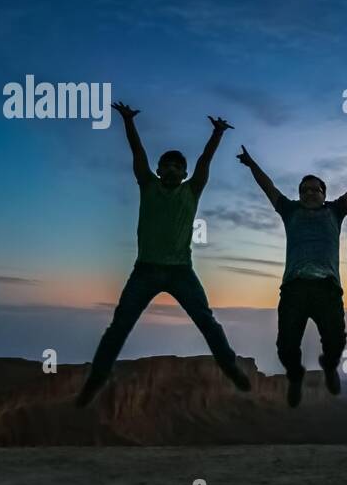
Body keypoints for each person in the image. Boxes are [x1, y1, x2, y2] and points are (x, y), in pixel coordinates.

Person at [76, 102, 250, 407]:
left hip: (181, 271)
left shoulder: (192, 190)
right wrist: (129, 122)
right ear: (158, 170)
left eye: (176, 166)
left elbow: (205, 161)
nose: (170, 169)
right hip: (145, 270)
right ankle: (96, 379)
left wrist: (217, 134)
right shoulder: (147, 185)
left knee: (206, 321)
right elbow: (137, 153)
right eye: (165, 165)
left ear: (184, 173)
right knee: (119, 326)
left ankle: (230, 367)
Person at [238, 142, 347, 407]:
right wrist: (252, 165)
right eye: (304, 190)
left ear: (324, 194)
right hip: (294, 289)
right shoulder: (290, 210)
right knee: (286, 346)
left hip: (327, 289)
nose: (310, 193)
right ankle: (295, 377)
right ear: (299, 195)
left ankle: (329, 367)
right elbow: (269, 187)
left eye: (315, 189)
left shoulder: (335, 211)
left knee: (336, 342)